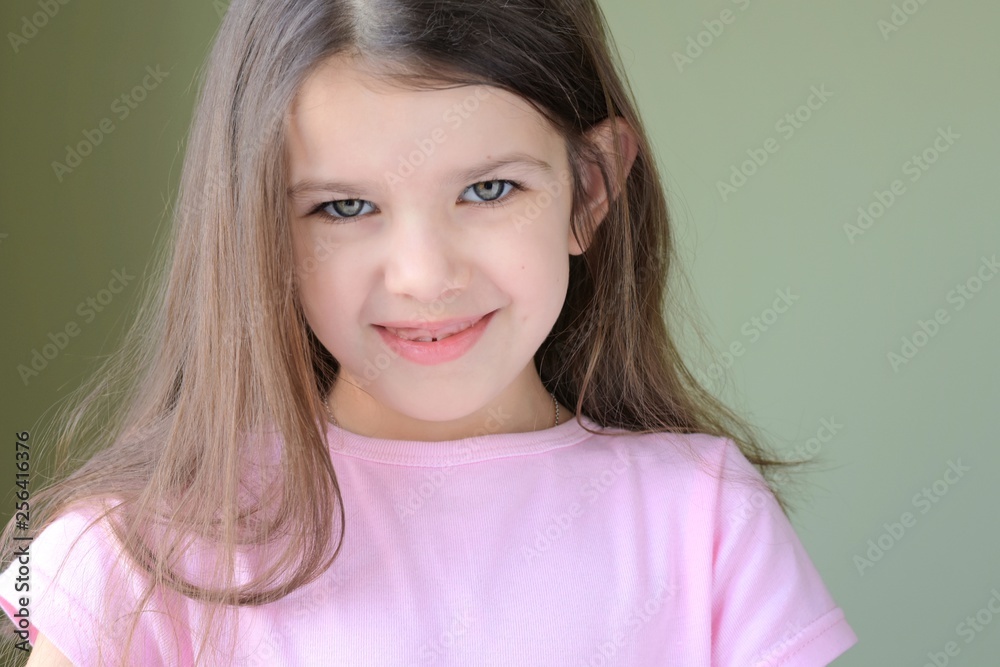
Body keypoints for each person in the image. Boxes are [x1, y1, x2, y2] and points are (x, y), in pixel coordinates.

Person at [0, 1, 859, 665]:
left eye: (488, 190)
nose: (425, 275)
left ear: (590, 189)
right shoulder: (135, 558)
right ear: (258, 230)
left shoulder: (705, 521)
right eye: (344, 206)